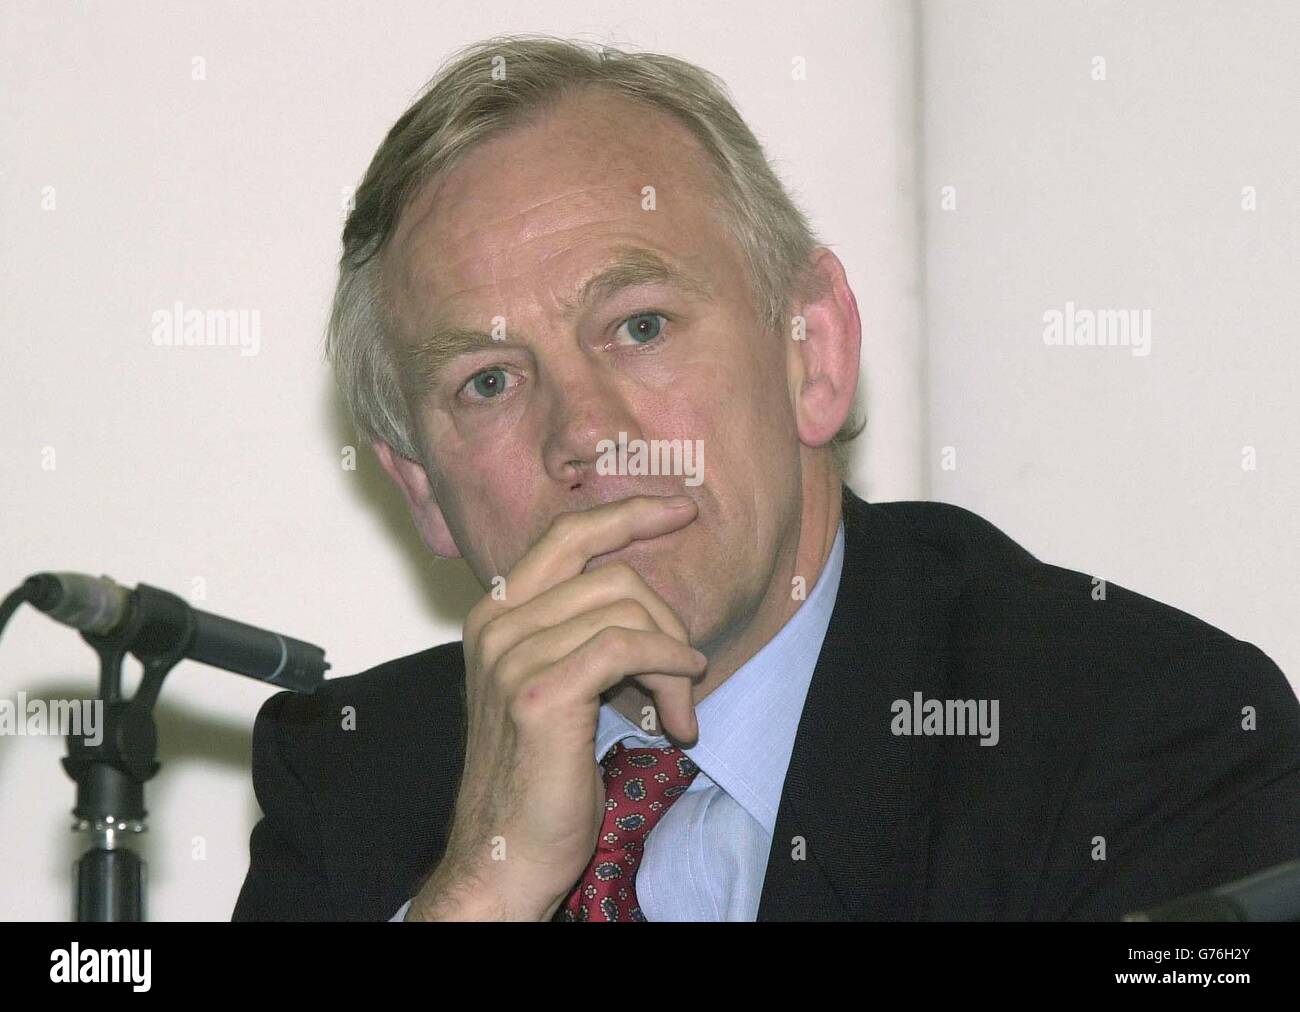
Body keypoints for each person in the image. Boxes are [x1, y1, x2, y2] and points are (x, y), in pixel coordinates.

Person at [233, 34, 1300, 922]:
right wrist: (483, 888)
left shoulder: (1134, 731)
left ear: (812, 353)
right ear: (422, 489)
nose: (587, 433)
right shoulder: (356, 784)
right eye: (487, 381)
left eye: (639, 325)